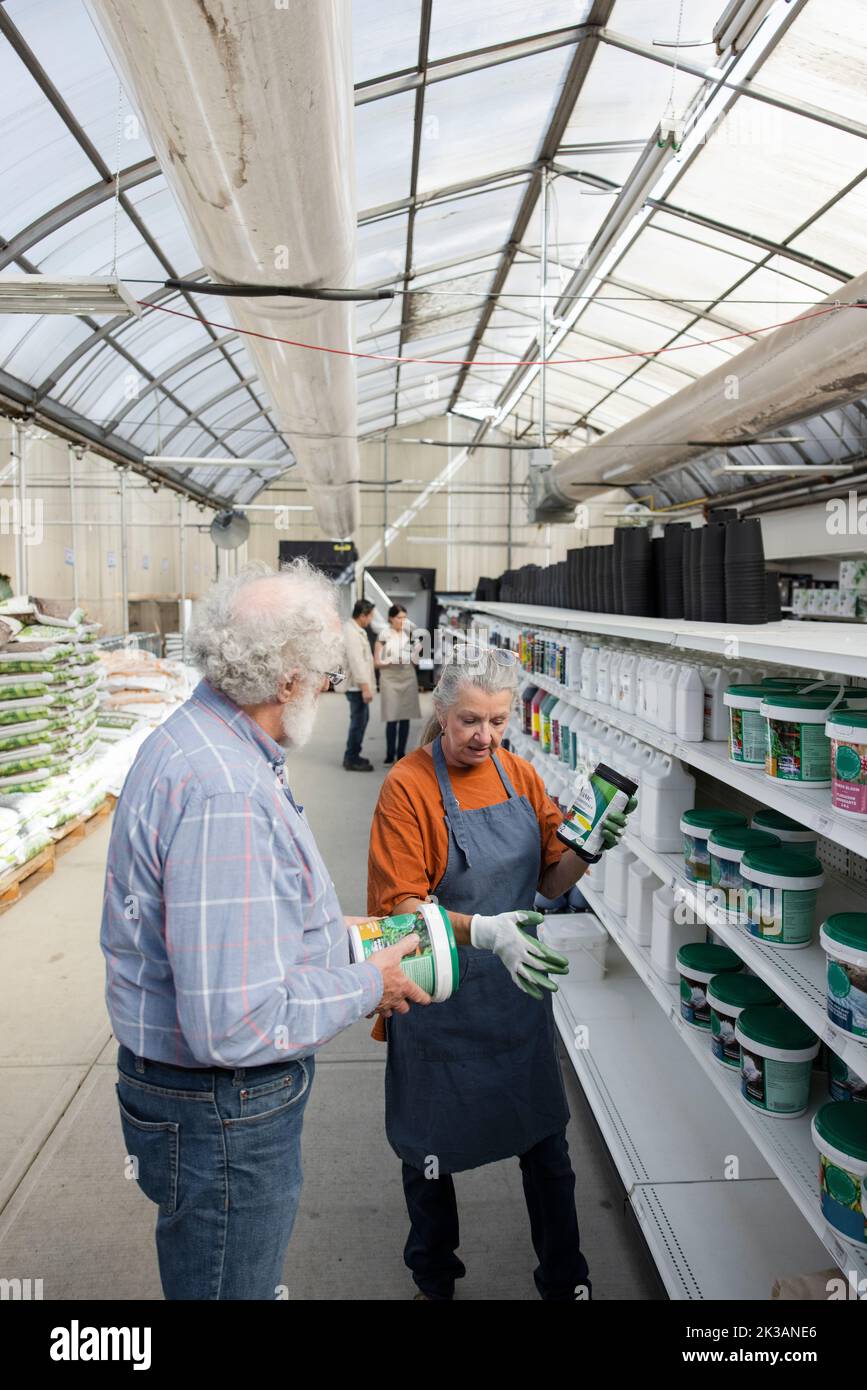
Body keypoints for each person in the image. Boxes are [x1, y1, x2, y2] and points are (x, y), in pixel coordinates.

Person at [100, 561, 432, 1301]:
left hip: (196, 1103)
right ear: (285, 681)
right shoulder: (226, 794)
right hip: (223, 1110)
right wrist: (364, 983)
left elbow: (247, 926)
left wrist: (348, 936)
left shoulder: (201, 744)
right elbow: (234, 1024)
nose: (326, 687)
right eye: (319, 674)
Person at [367, 649, 636, 1301]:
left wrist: (586, 847)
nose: (484, 736)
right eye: (468, 721)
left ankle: (565, 1276)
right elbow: (400, 910)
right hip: (437, 996)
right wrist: (484, 932)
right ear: (441, 711)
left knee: (545, 1144)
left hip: (514, 1000)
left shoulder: (518, 775)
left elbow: (549, 880)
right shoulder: (408, 786)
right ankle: (433, 1275)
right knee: (427, 1152)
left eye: (496, 719)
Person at [375, 603, 421, 765]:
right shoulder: (383, 635)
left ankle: (401, 754)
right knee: (391, 716)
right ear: (391, 618)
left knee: (405, 717)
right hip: (390, 679)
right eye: (399, 617)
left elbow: (415, 662)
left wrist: (416, 653)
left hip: (408, 678)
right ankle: (389, 754)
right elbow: (377, 662)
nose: (402, 621)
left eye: (404, 617)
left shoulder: (410, 635)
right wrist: (391, 661)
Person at [342, 598, 376, 771]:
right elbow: (356, 661)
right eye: (370, 617)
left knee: (361, 720)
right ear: (363, 615)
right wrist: (365, 688)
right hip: (356, 687)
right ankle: (351, 758)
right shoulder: (351, 632)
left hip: (359, 686)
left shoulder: (356, 630)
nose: (371, 620)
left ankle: (353, 754)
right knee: (358, 722)